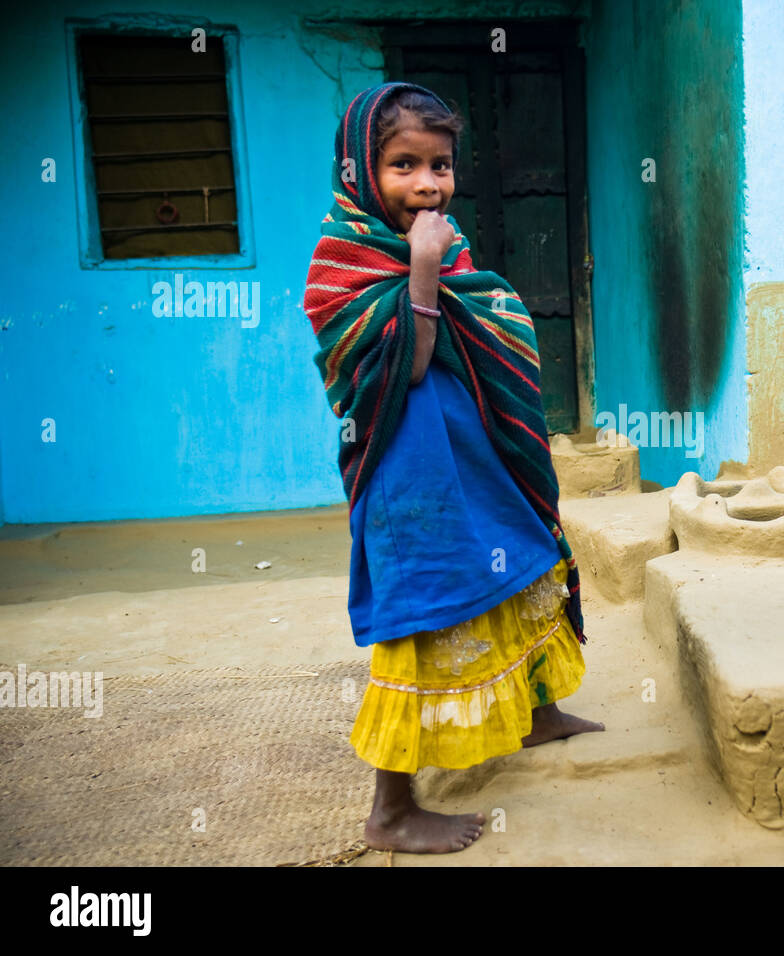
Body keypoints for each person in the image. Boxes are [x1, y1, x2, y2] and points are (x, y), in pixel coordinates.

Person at [304, 82, 604, 854]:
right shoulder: (342, 260)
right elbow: (405, 366)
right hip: (412, 481)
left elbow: (487, 333)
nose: (429, 184)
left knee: (526, 567)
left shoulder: (446, 239)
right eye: (404, 165)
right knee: (425, 614)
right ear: (360, 173)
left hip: (475, 458)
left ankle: (536, 715)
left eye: (440, 165)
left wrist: (435, 261)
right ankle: (391, 809)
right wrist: (423, 270)